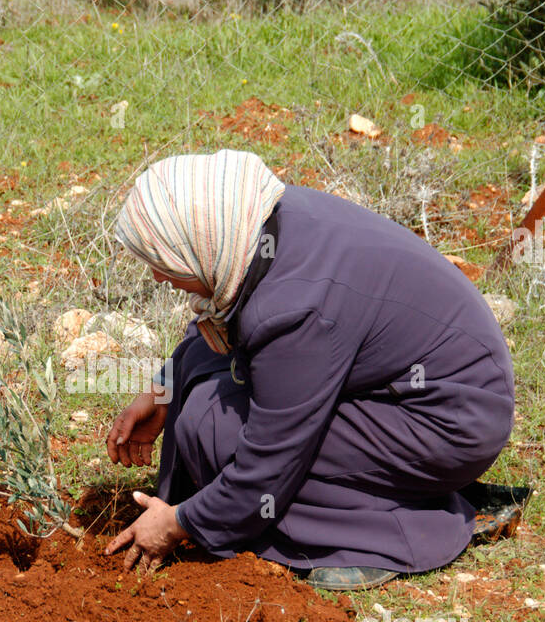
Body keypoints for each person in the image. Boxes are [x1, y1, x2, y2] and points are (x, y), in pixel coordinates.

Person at [103, 149, 517, 590]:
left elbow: (267, 463)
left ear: (201, 244)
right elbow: (222, 316)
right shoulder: (257, 219)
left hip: (449, 423)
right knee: (200, 369)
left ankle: (391, 531)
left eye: (164, 263)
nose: (157, 278)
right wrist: (163, 389)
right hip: (415, 383)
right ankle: (373, 495)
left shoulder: (295, 310)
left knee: (212, 428)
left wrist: (178, 523)